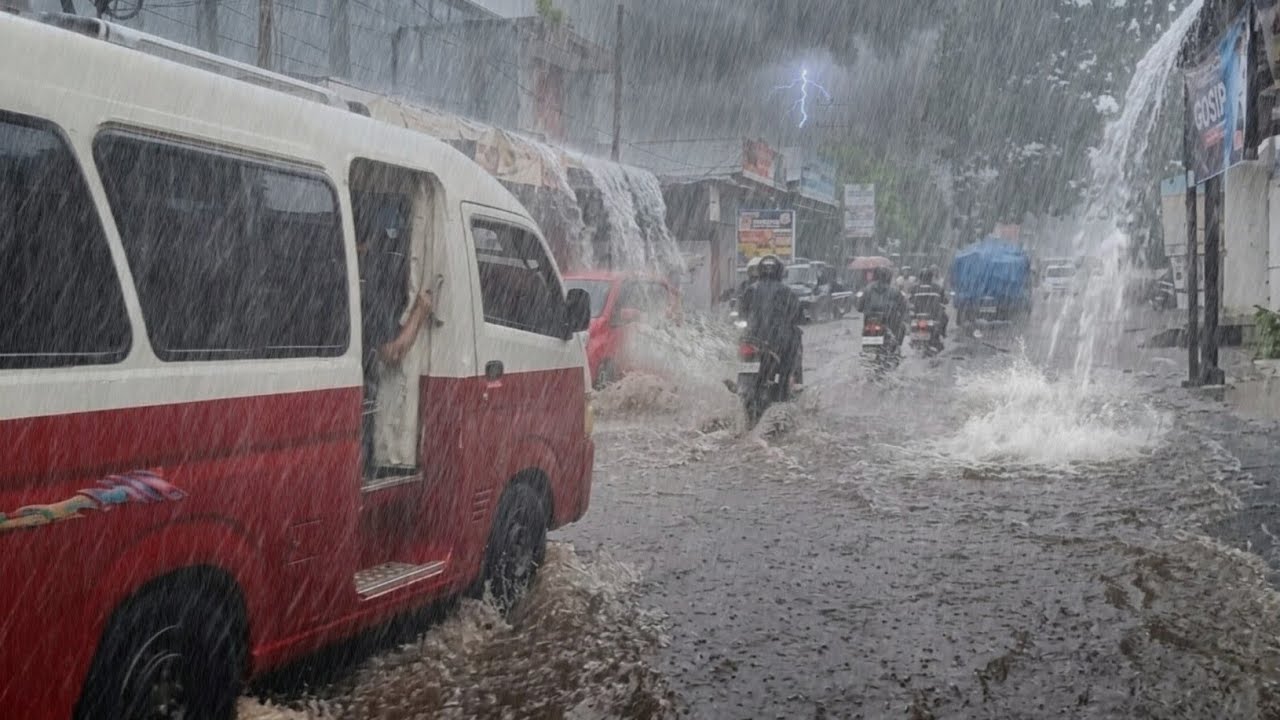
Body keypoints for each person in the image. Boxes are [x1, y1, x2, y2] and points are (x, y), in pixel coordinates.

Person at [358, 222, 434, 473]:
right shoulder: (369, 294)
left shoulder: (344, 279)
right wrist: (419, 313)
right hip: (364, 406)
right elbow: (393, 353)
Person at [746, 254, 804, 393]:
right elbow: (799, 314)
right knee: (793, 349)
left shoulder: (750, 289)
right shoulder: (786, 291)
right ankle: (791, 382)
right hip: (779, 339)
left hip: (753, 337)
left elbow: (741, 311)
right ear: (779, 271)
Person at [857, 266, 909, 342]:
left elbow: (859, 307)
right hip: (889, 323)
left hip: (870, 323)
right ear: (889, 277)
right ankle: (897, 348)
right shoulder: (895, 291)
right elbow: (903, 306)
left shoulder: (867, 289)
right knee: (902, 328)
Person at [910, 267, 949, 345]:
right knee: (946, 318)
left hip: (918, 316)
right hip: (932, 316)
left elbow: (910, 300)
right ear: (931, 277)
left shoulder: (914, 288)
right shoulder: (937, 288)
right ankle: (943, 334)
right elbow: (945, 300)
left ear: (920, 277)